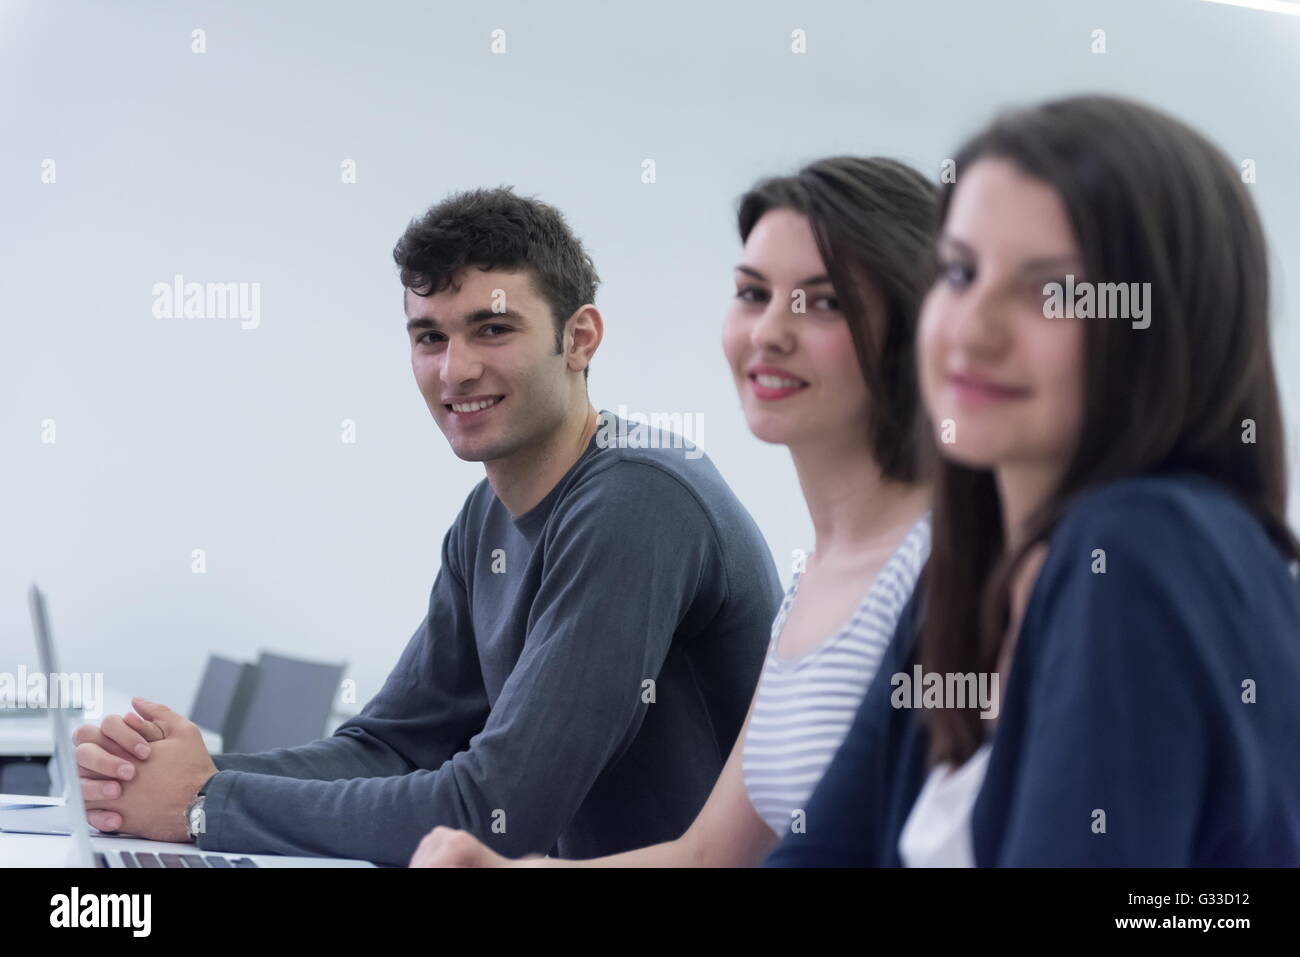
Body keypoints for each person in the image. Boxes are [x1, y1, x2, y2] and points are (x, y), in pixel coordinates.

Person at [71, 187, 783, 866]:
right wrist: (182, 775)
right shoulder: (486, 516)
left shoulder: (638, 500)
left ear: (580, 338)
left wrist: (206, 804)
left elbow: (500, 808)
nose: (456, 369)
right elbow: (391, 746)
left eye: (493, 328)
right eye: (429, 336)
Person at [766, 95, 1300, 867]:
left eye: (1053, 291)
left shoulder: (1138, 549)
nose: (972, 327)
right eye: (959, 272)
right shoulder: (964, 583)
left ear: (1163, 327)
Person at [410, 156, 937, 867]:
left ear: (925, 328)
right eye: (753, 293)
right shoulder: (817, 581)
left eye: (825, 301)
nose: (769, 331)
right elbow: (709, 856)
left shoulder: (955, 573)